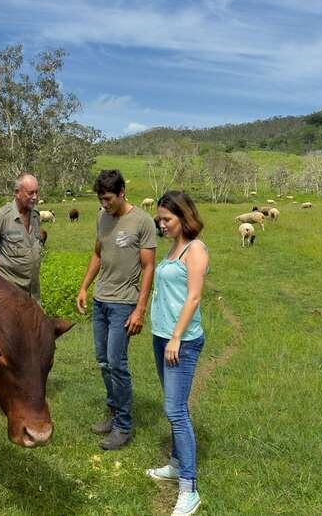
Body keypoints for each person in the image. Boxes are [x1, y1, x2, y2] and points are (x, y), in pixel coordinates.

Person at [75, 170, 156, 450]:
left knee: (117, 363)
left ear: (122, 192)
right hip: (101, 300)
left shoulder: (142, 221)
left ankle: (123, 425)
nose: (104, 204)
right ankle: (113, 412)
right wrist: (84, 287)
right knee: (103, 361)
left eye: (108, 199)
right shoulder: (102, 216)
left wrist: (140, 309)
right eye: (101, 199)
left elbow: (148, 267)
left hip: (124, 303)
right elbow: (98, 254)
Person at [145, 190, 208, 516]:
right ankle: (175, 463)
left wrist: (176, 338)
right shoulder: (174, 247)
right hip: (162, 338)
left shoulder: (195, 249)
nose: (162, 224)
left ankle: (189, 488)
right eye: (160, 220)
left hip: (181, 342)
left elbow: (194, 297)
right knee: (173, 407)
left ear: (184, 217)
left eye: (167, 219)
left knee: (176, 410)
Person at [0, 174, 43, 300]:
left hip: (34, 296)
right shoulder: (2, 217)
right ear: (17, 193)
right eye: (30, 193)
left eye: (36, 192)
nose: (35, 197)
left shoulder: (35, 215)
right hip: (10, 297)